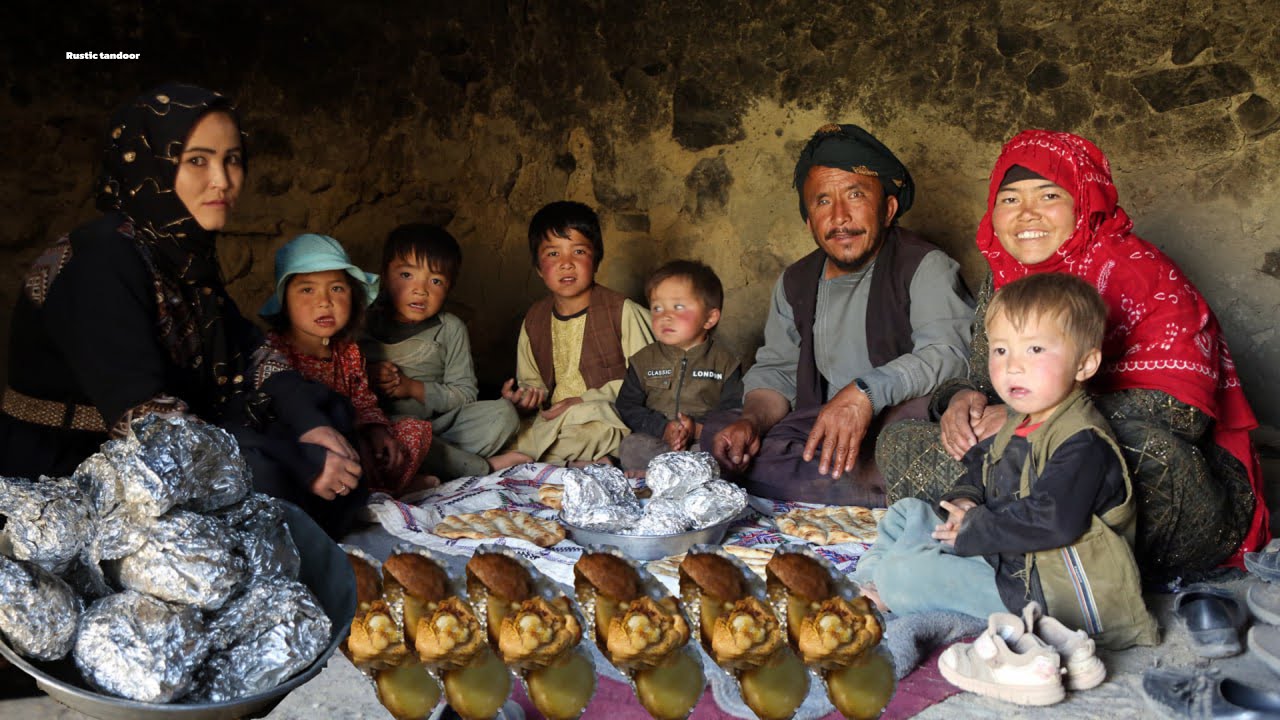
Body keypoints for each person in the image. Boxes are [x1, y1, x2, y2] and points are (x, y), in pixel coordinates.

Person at [877, 129, 1269, 577]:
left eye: (1048, 195)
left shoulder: (1140, 272)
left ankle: (1011, 542)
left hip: (1112, 450)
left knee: (1149, 456)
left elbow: (1182, 415)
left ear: (1084, 201)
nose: (1026, 214)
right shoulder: (1004, 279)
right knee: (901, 440)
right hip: (1024, 454)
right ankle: (1018, 539)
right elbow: (987, 375)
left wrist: (1029, 415)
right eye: (1009, 200)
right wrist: (960, 400)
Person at [0, 83, 365, 536]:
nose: (223, 180)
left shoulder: (182, 253)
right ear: (148, 164)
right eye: (197, 160)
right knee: (269, 474)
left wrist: (307, 422)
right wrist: (297, 458)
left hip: (173, 432)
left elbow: (249, 350)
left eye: (232, 158)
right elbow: (151, 425)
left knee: (329, 414)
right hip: (75, 460)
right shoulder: (99, 259)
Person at [855, 273, 1158, 650]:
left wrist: (974, 528)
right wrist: (965, 501)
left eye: (1034, 350)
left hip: (1049, 593)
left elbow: (1052, 521)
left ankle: (891, 586)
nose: (1013, 366)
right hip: (1007, 553)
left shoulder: (1083, 443)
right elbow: (980, 466)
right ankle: (871, 583)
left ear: (1084, 364)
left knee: (906, 574)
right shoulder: (1020, 419)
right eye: (1001, 351)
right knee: (906, 511)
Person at [705, 123, 973, 505]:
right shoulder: (796, 281)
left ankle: (854, 480)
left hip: (891, 423)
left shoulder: (925, 265)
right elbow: (777, 371)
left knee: (921, 436)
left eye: (855, 195)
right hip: (821, 428)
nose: (840, 217)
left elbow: (949, 354)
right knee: (721, 433)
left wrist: (864, 393)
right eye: (823, 202)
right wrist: (751, 421)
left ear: (888, 208)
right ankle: (857, 485)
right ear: (809, 219)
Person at [260, 233, 435, 496]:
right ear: (285, 301)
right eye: (307, 289)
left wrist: (376, 431)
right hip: (313, 453)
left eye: (337, 288)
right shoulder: (275, 353)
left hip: (358, 444)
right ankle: (373, 491)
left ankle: (378, 488)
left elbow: (363, 400)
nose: (324, 301)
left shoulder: (348, 350)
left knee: (411, 431)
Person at [361, 223, 527, 480]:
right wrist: (367, 374)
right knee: (384, 431)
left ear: (449, 288)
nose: (421, 289)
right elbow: (340, 384)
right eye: (407, 275)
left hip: (438, 429)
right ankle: (482, 467)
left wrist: (412, 388)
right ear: (384, 274)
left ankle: (427, 466)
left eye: (436, 280)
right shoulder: (362, 322)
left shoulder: (450, 328)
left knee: (504, 414)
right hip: (385, 430)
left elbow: (465, 394)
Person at [502, 201, 654, 465]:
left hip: (604, 413)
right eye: (553, 254)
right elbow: (532, 381)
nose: (566, 264)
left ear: (595, 260)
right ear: (538, 268)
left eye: (579, 251)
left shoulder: (623, 311)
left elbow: (648, 383)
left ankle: (523, 460)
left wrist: (582, 400)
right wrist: (526, 396)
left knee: (599, 425)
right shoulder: (534, 319)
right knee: (503, 426)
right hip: (554, 419)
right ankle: (576, 462)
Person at [615, 260, 743, 473]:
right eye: (657, 307)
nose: (665, 315)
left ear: (710, 318)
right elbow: (627, 406)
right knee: (631, 446)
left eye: (678, 306)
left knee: (724, 452)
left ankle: (674, 475)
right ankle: (664, 475)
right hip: (657, 441)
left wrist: (698, 429)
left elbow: (734, 410)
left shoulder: (726, 363)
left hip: (700, 442)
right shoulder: (642, 361)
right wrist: (664, 428)